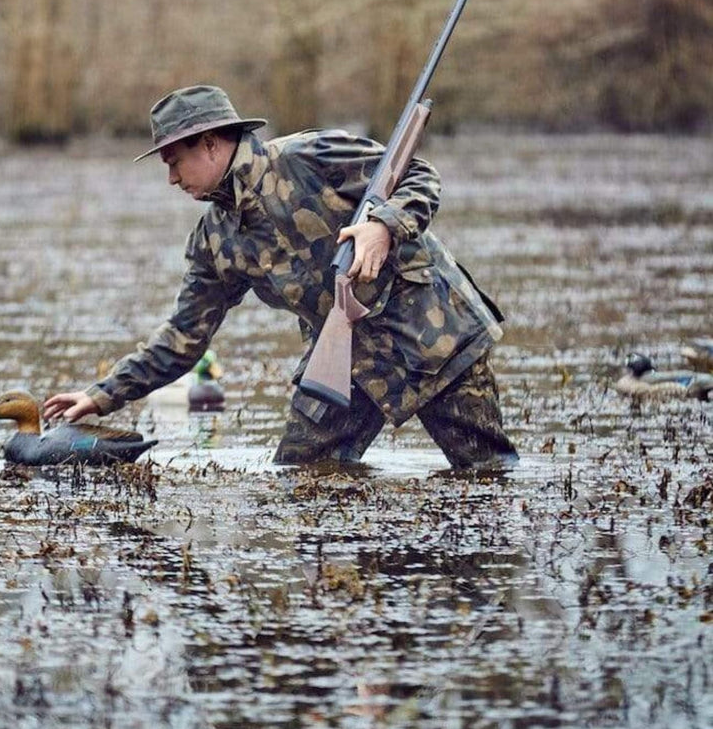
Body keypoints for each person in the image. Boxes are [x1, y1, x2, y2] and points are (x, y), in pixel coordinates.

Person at [43, 85, 518, 469]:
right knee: (302, 476)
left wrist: (384, 226)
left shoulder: (309, 155)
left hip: (434, 339)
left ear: (209, 145)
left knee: (488, 476)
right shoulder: (215, 239)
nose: (171, 178)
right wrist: (102, 396)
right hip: (345, 365)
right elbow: (183, 337)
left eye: (174, 161)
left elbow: (418, 174)